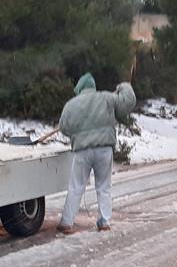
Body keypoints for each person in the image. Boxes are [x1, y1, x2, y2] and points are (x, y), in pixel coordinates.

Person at [56, 73, 136, 234]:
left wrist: (77, 133)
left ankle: (66, 222)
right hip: (104, 150)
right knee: (104, 186)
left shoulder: (71, 105)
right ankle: (104, 222)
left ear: (79, 88)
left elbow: (64, 127)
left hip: (82, 151)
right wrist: (123, 86)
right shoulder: (107, 98)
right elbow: (128, 101)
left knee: (76, 186)